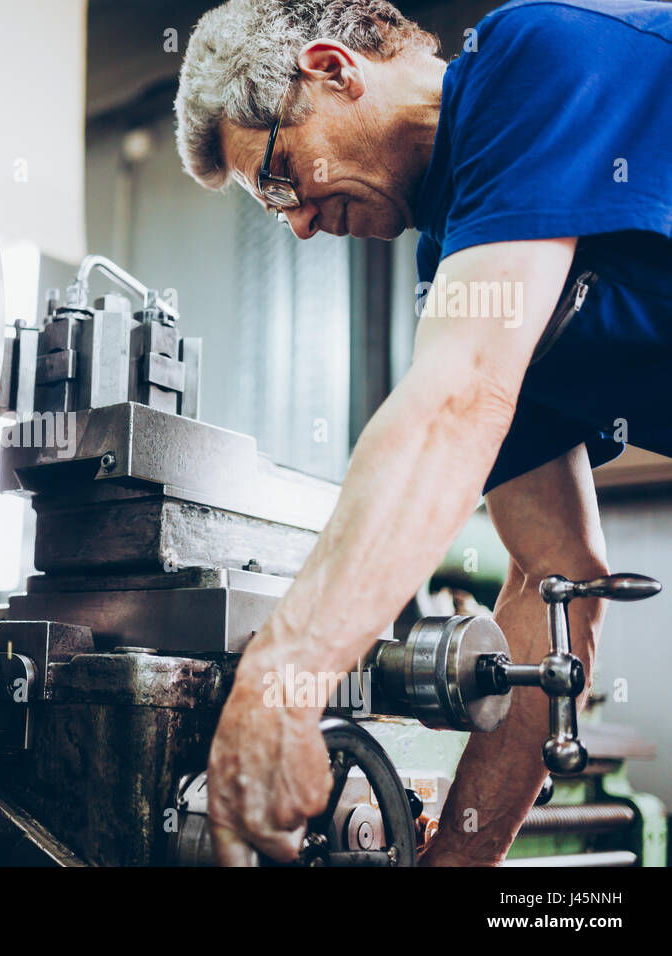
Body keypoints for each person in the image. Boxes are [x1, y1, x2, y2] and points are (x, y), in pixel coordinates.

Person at [173, 0, 672, 865]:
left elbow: (457, 402)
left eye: (282, 177)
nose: (293, 224)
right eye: (270, 210)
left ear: (331, 69)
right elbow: (557, 585)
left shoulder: (529, 57)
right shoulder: (456, 261)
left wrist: (283, 678)